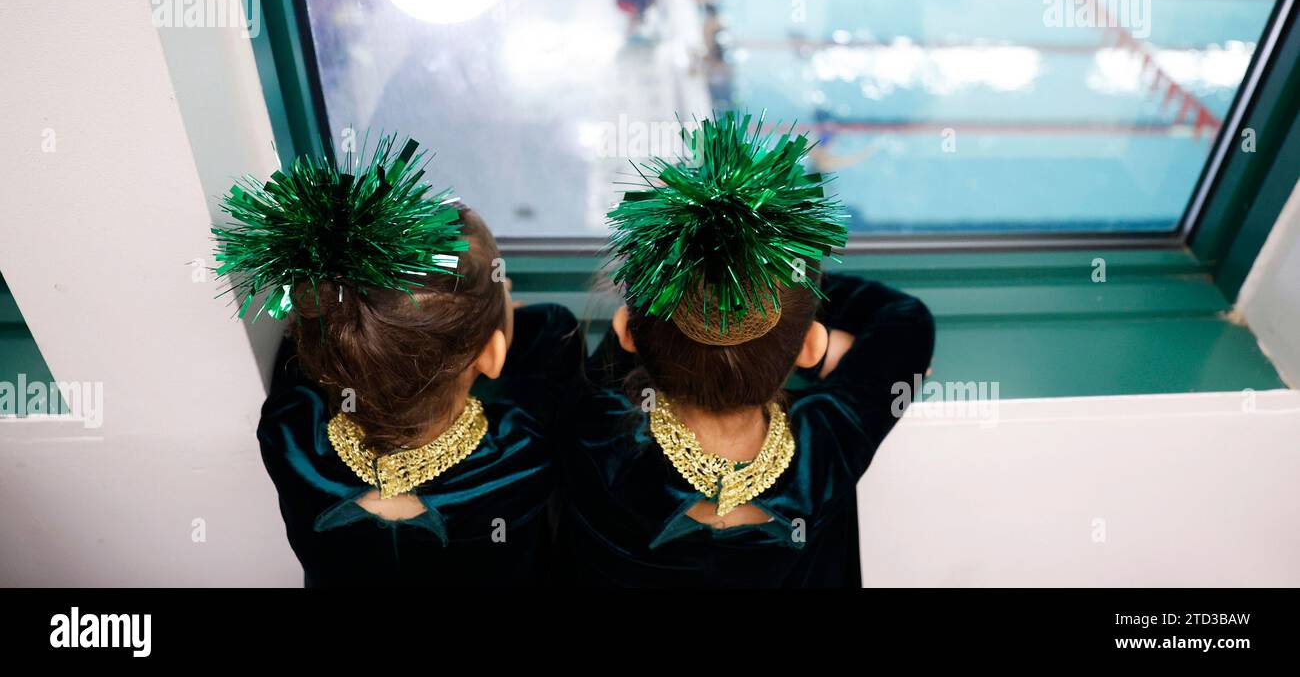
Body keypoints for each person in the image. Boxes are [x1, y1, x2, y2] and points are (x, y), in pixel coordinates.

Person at [555, 114, 934, 586]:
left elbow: (550, 327)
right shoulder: (831, 444)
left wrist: (716, 277)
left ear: (627, 333)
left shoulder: (593, 433)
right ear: (811, 346)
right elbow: (906, 323)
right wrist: (767, 276)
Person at [212, 135, 581, 586]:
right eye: (505, 286)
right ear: (493, 355)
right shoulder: (523, 455)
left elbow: (308, 342)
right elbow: (555, 330)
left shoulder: (289, 432)